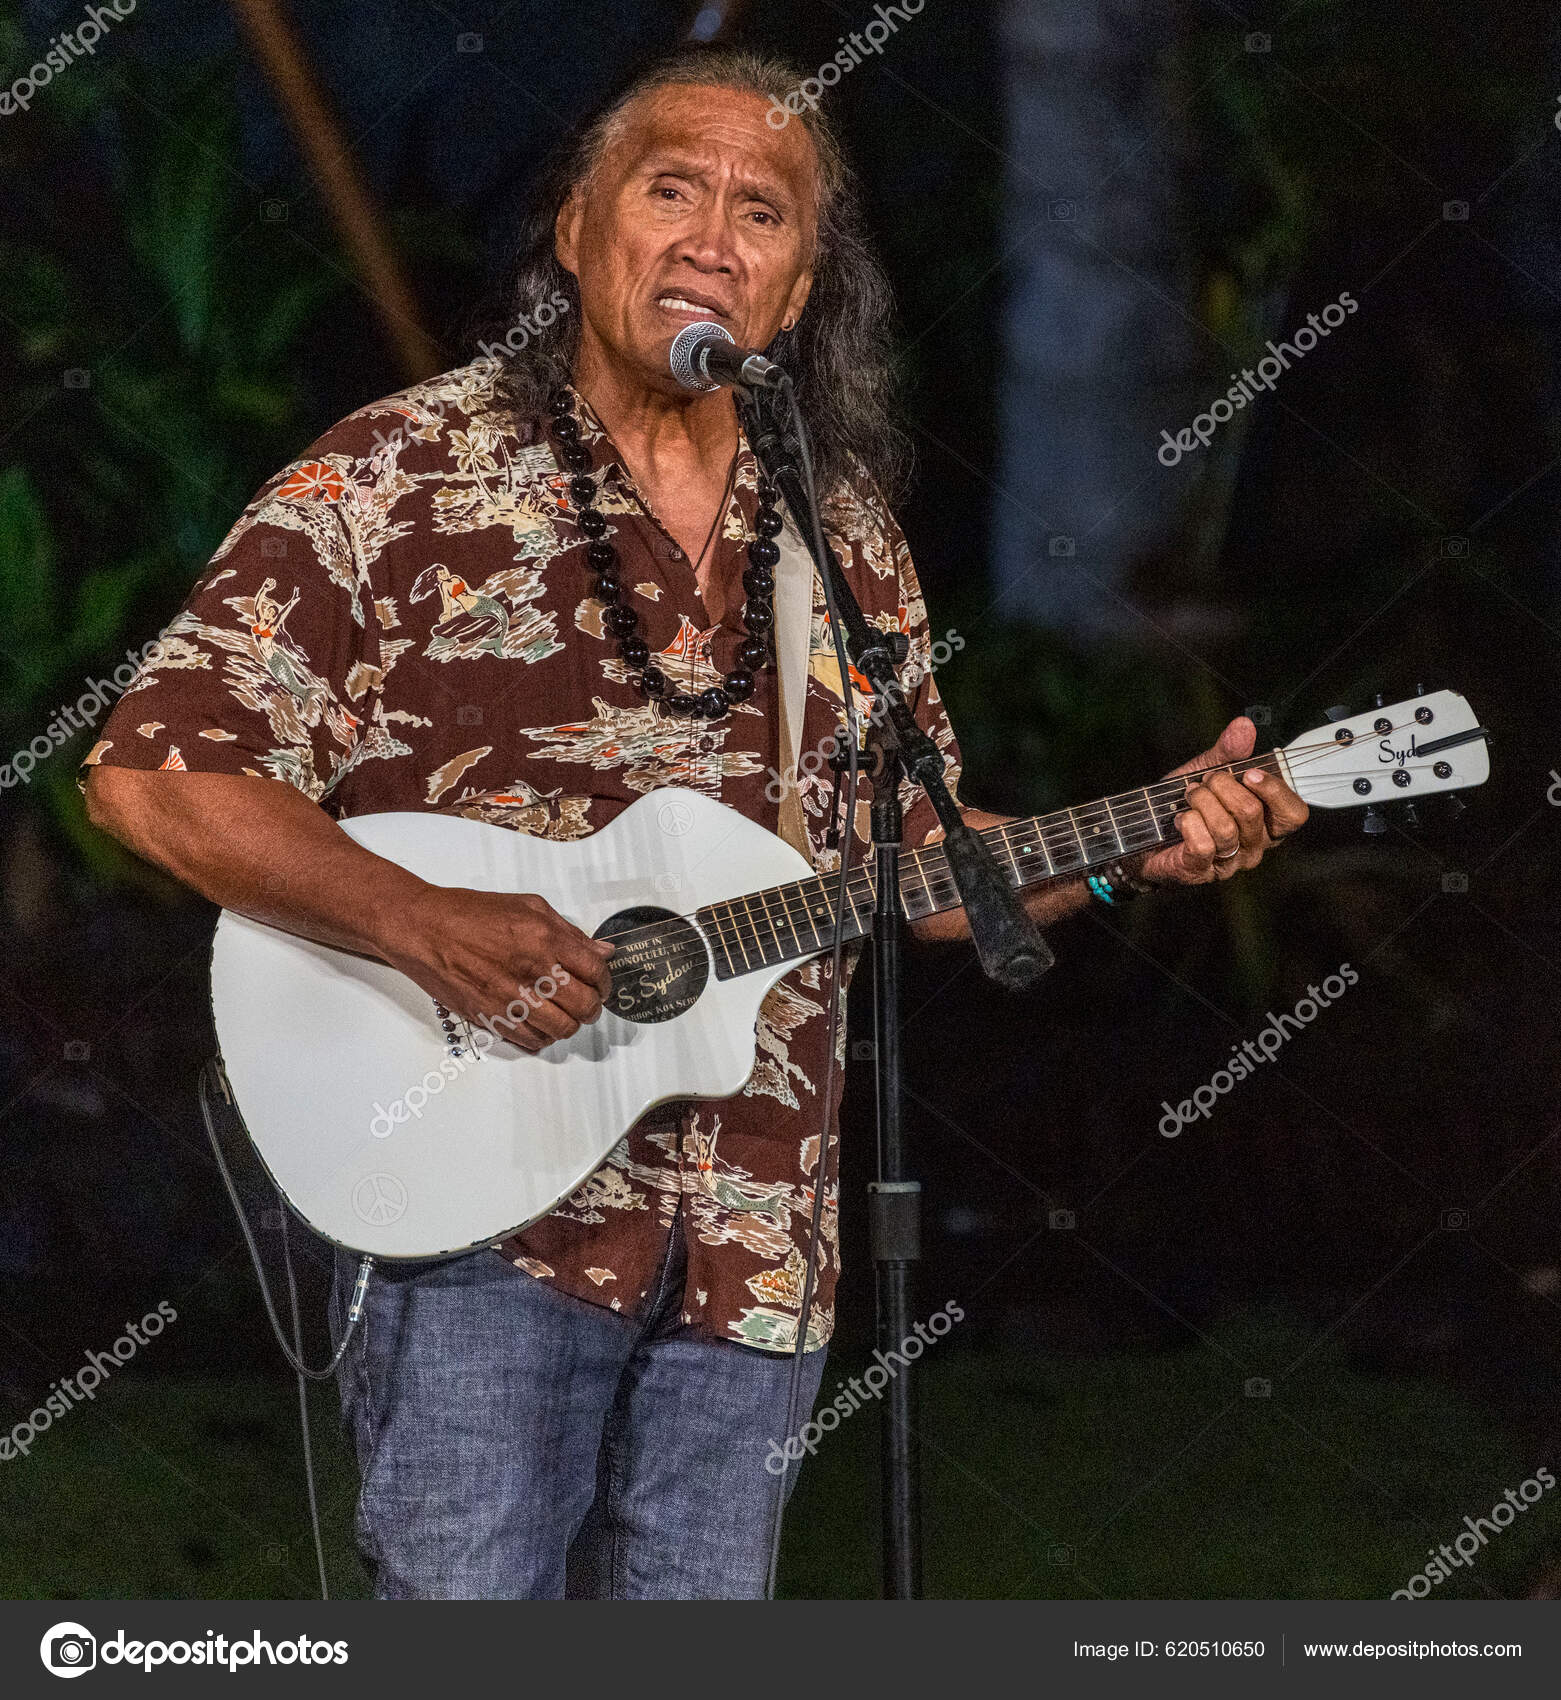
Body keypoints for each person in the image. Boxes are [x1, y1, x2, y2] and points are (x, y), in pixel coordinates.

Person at [82, 47, 1308, 1599]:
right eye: (670, 189)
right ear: (580, 232)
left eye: (763, 212)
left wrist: (1133, 838)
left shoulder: (840, 536)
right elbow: (153, 773)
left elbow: (908, 870)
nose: (711, 236)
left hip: (756, 1244)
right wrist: (425, 923)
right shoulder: (398, 476)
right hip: (477, 1215)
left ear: (797, 294)